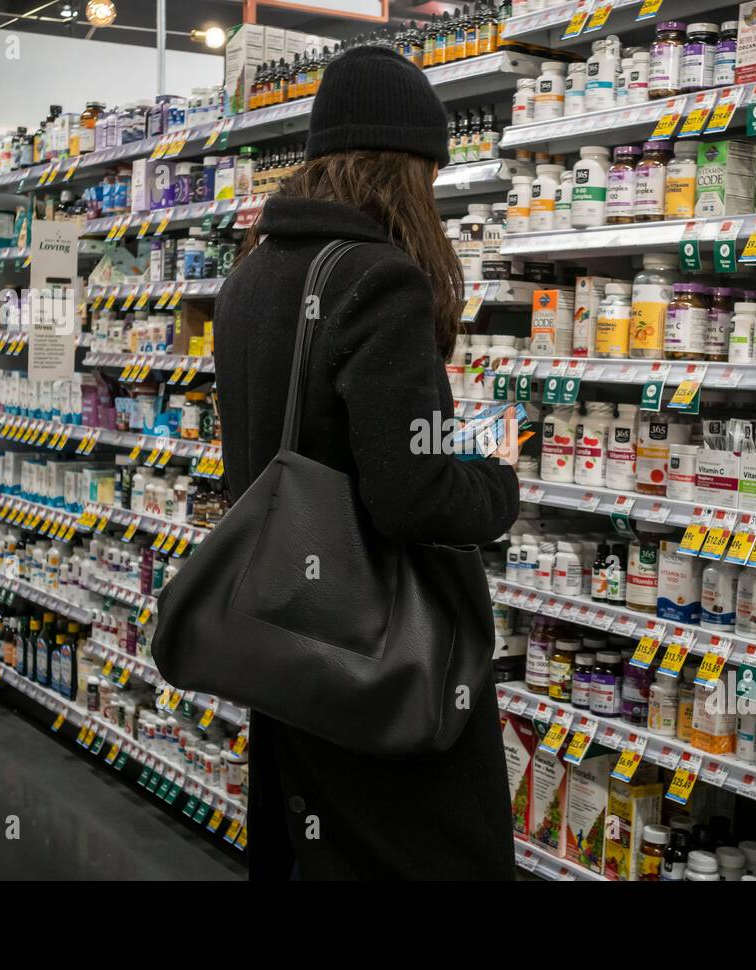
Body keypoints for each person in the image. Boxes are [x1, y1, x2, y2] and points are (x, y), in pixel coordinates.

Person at [213, 45, 521, 880]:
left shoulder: (246, 280)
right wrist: (495, 483)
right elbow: (410, 496)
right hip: (380, 655)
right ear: (409, 169)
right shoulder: (380, 281)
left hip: (289, 643)